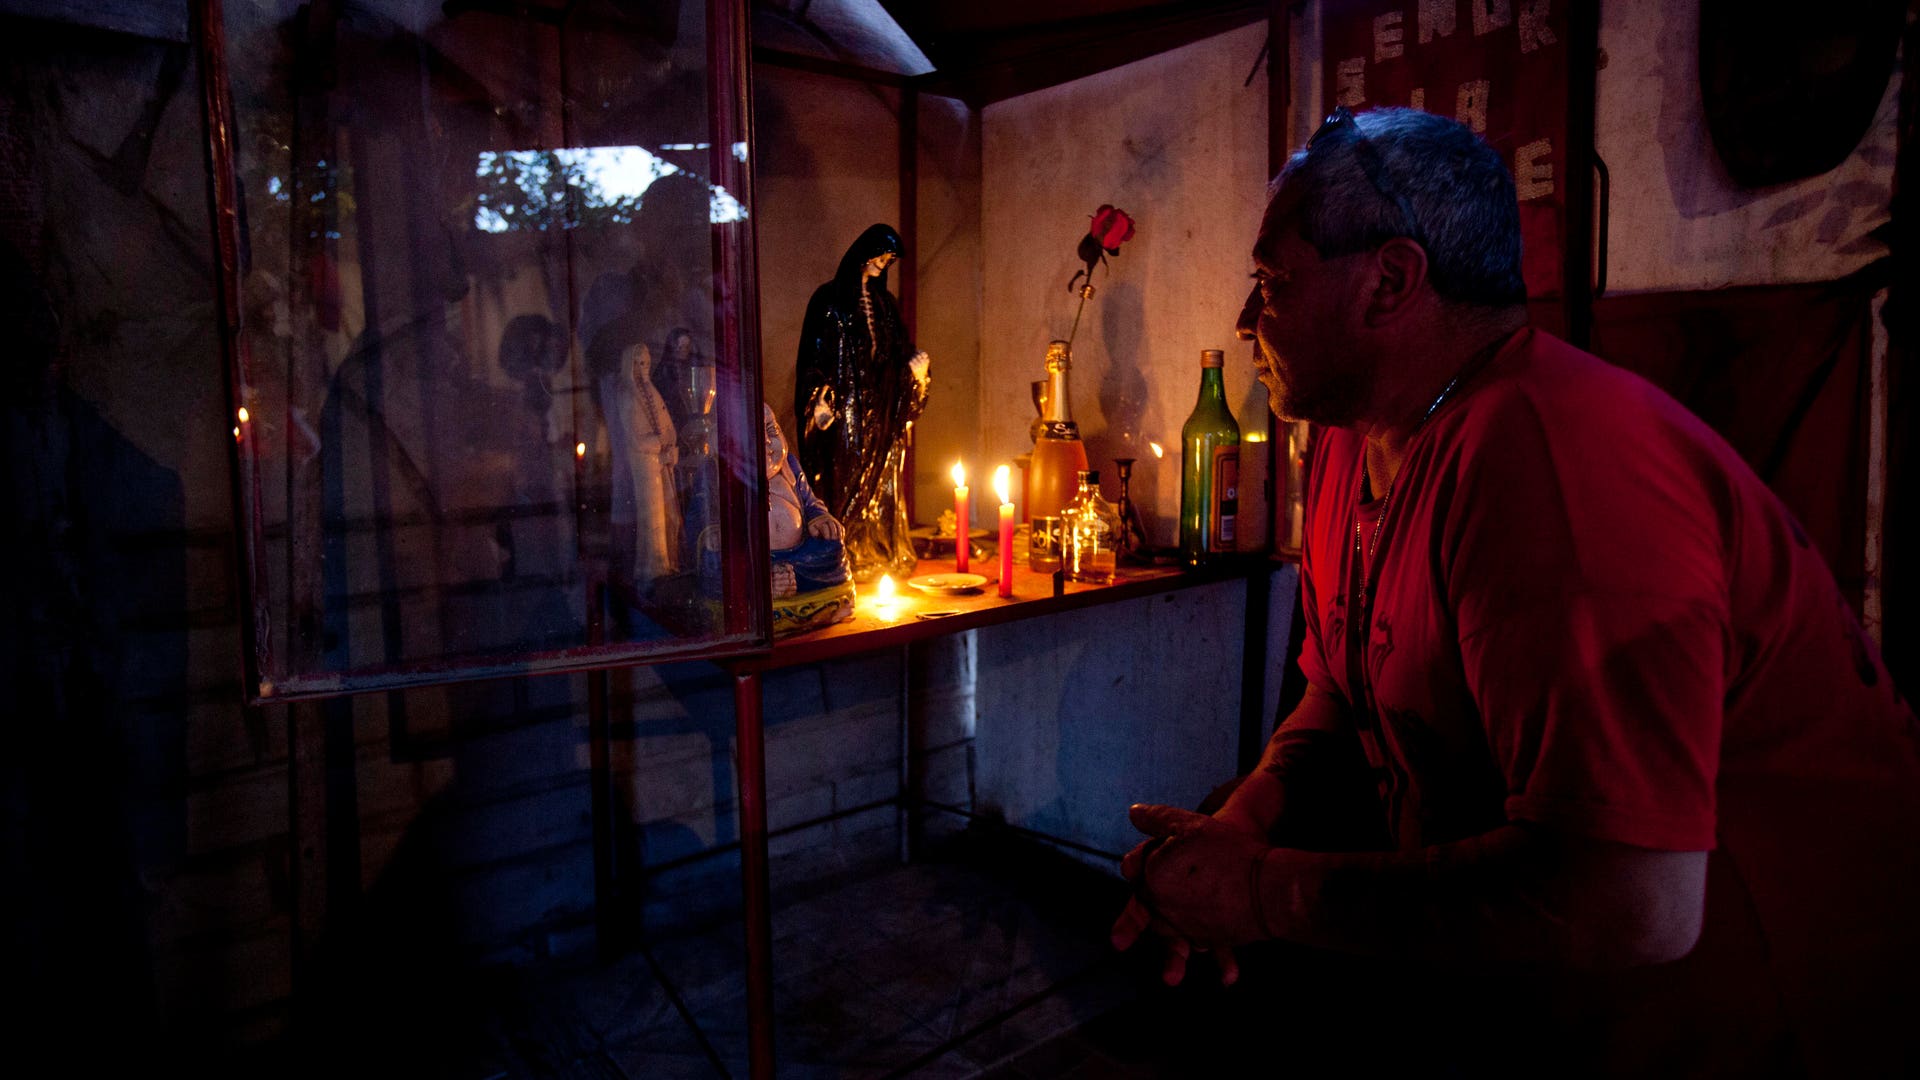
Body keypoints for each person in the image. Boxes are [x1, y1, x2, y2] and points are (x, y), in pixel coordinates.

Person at [1113, 106, 1920, 1077]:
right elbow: (1336, 692)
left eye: (1273, 283)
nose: (1248, 322)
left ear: (1392, 281)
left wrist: (1261, 895)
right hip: (1541, 992)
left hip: (1757, 1015)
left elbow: (1631, 901)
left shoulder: (1551, 462)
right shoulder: (1350, 440)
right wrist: (1239, 833)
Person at [794, 223, 931, 581]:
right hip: (847, 411)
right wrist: (819, 399)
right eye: (880, 256)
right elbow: (813, 356)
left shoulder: (886, 306)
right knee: (845, 477)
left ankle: (877, 551)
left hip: (882, 410)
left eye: (888, 261)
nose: (882, 265)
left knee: (882, 483)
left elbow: (898, 354)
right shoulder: (828, 301)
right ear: (863, 253)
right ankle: (845, 551)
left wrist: (917, 375)